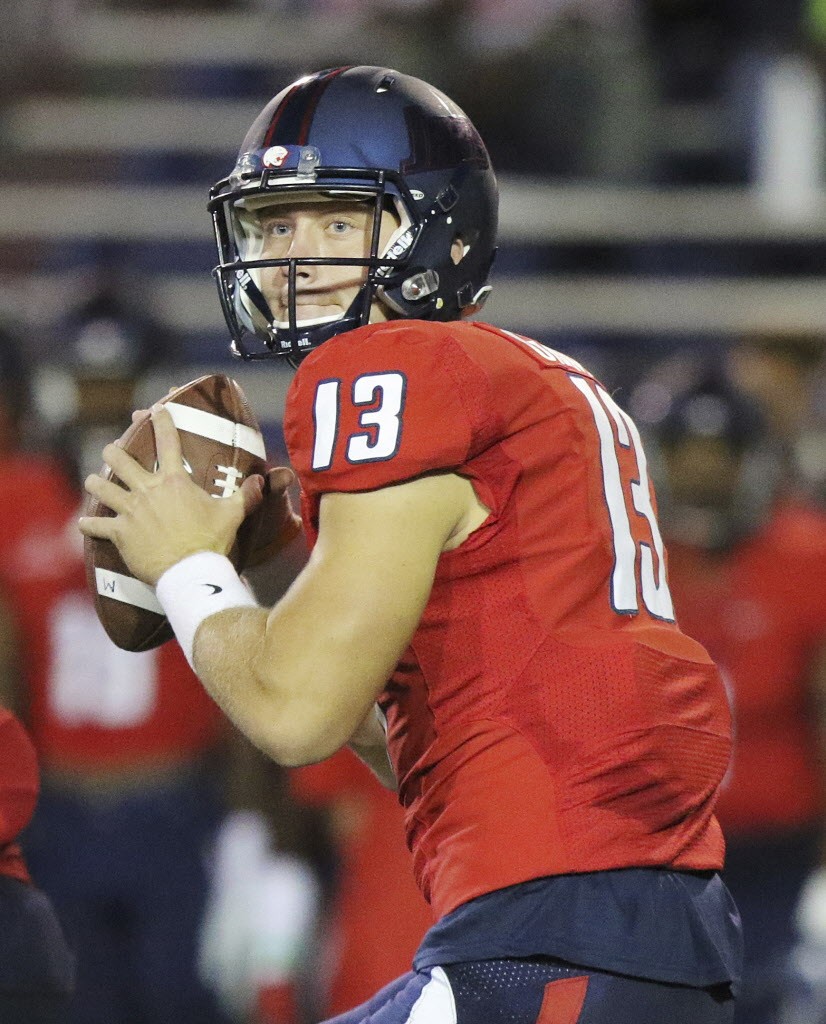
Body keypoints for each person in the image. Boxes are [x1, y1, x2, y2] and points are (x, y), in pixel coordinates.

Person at [79, 65, 743, 1023]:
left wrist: (187, 564)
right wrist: (269, 567)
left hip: (544, 929)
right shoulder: (543, 379)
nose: (290, 256)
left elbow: (294, 715)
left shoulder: (391, 366)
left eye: (336, 222)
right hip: (641, 931)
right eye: (273, 226)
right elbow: (421, 741)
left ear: (443, 232)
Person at [7, 293, 233, 1024]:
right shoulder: (17, 496)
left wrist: (255, 823)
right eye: (85, 378)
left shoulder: (211, 494)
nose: (102, 399)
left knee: (178, 1002)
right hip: (60, 810)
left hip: (176, 806)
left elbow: (254, 641)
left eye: (120, 380)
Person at [648, 375, 826, 1024]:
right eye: (689, 462)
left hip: (776, 848)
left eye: (719, 463)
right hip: (650, 851)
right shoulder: (621, 554)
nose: (703, 481)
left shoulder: (806, 553)